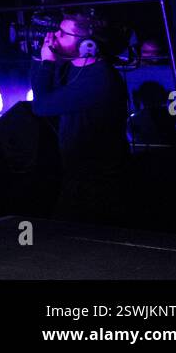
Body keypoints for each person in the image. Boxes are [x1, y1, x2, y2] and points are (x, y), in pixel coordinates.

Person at [30, 14, 130, 219]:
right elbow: (44, 92)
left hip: (99, 181)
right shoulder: (71, 67)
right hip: (76, 173)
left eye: (63, 34)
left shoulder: (100, 79)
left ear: (87, 44)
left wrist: (47, 63)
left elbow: (41, 107)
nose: (55, 36)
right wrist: (41, 58)